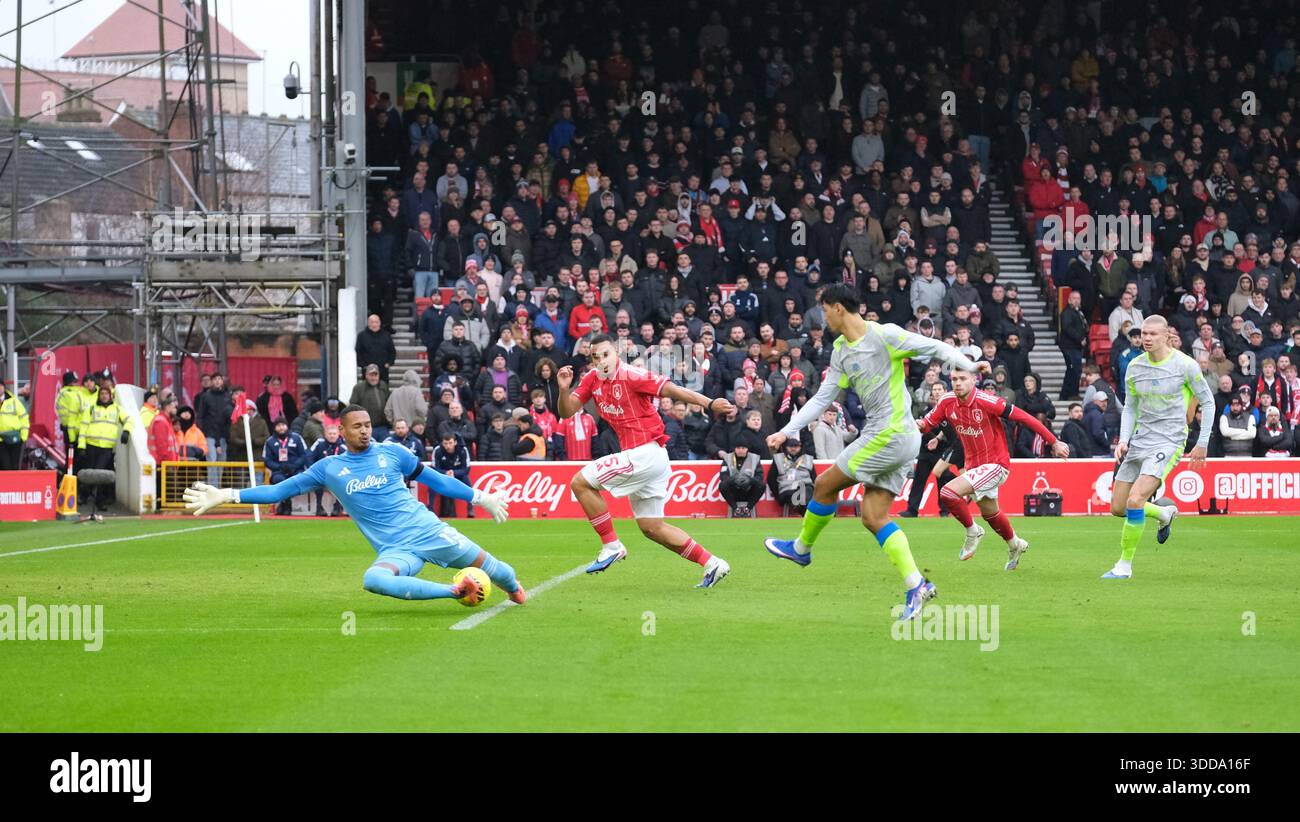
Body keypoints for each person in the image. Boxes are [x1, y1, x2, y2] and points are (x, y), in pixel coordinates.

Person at [763, 284, 990, 622]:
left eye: (825, 311)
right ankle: (917, 586)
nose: (823, 318)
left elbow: (934, 346)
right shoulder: (840, 349)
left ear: (838, 308)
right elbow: (823, 398)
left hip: (892, 433)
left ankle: (801, 550)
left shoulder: (886, 336)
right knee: (873, 516)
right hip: (891, 437)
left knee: (824, 485)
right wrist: (787, 429)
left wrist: (969, 365)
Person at [184, 404, 524, 606]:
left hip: (429, 531)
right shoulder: (328, 468)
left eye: (367, 425)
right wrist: (228, 495)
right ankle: (453, 590)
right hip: (395, 548)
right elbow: (278, 491)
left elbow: (436, 481)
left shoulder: (393, 453)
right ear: (341, 430)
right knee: (373, 580)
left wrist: (481, 497)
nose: (364, 431)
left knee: (504, 574)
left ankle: (516, 591)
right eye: (356, 426)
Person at [556, 334, 736, 588]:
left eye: (606, 354)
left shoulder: (632, 374)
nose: (602, 361)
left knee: (580, 482)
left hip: (645, 453)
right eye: (596, 357)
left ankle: (611, 545)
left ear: (617, 352)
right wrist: (564, 390)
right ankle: (713, 563)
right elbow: (567, 411)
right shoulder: (591, 379)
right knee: (652, 527)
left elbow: (672, 388)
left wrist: (708, 402)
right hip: (648, 458)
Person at [919, 368, 1070, 570]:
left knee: (947, 492)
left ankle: (973, 531)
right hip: (973, 465)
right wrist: (913, 424)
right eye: (954, 379)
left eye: (963, 378)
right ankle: (1015, 544)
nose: (957, 383)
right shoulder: (947, 401)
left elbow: (1024, 417)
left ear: (974, 380)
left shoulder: (987, 401)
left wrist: (1053, 442)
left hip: (996, 464)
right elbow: (926, 424)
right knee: (990, 513)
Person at [1104, 316, 1214, 580]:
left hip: (1170, 439)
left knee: (1135, 499)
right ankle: (1165, 513)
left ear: (1166, 336)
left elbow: (1208, 402)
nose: (1147, 338)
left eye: (1153, 333)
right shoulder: (1134, 366)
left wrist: (1202, 442)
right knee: (1118, 508)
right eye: (1144, 333)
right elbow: (1130, 406)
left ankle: (1124, 566)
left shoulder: (1185, 365)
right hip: (1141, 438)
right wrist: (1123, 439)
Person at [75, 383, 131, 513]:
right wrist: (81, 446)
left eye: (106, 394)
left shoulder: (117, 409)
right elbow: (83, 427)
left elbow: (129, 420)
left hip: (106, 448)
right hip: (91, 445)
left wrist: (126, 431)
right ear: (99, 395)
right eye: (102, 394)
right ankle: (84, 494)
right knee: (90, 472)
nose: (104, 396)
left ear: (111, 396)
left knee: (99, 473)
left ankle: (98, 501)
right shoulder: (91, 408)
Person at [263, 417, 310, 516]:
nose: (281, 428)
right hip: (279, 471)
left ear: (287, 426)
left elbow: (304, 455)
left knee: (298, 478)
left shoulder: (297, 438)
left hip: (296, 469)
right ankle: (287, 503)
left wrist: (294, 465)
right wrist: (279, 467)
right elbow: (267, 460)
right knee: (280, 480)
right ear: (275, 427)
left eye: (283, 425)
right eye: (278, 425)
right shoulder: (270, 441)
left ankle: (284, 505)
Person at [719, 437, 765, 517]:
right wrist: (733, 480)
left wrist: (750, 480)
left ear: (747, 449)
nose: (740, 450)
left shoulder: (755, 458)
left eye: (743, 448)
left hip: (748, 490)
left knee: (762, 485)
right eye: (738, 448)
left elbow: (759, 476)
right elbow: (723, 476)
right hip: (734, 490)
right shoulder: (727, 458)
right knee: (722, 485)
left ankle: (748, 509)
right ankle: (735, 509)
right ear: (735, 449)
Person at [769, 437, 817, 514]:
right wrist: (778, 496)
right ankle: (806, 511)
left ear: (800, 447)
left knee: (808, 490)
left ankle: (802, 508)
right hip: (788, 490)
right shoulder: (779, 458)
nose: (793, 448)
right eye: (791, 446)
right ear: (786, 447)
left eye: (796, 446)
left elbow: (814, 478)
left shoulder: (808, 458)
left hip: (806, 488)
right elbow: (771, 479)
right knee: (806, 494)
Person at [308, 424, 346, 516]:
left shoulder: (343, 447)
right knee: (317, 481)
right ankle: (319, 507)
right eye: (330, 433)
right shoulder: (319, 444)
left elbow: (347, 464)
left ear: (338, 434)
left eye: (334, 433)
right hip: (321, 474)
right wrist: (314, 470)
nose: (332, 435)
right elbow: (308, 457)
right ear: (325, 434)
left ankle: (337, 507)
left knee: (341, 482)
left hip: (337, 475)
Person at [431, 433, 472, 518]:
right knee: (432, 484)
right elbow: (434, 469)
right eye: (445, 443)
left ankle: (470, 509)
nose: (448, 446)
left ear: (455, 442)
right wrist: (445, 473)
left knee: (467, 482)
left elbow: (466, 469)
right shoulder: (437, 450)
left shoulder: (463, 450)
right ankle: (430, 509)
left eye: (450, 443)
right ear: (442, 443)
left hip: (458, 474)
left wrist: (454, 472)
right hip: (442, 475)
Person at [355, 314, 397, 383]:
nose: (374, 324)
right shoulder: (362, 336)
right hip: (367, 370)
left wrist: (389, 363)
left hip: (383, 370)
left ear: (380, 323)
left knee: (383, 391)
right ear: (368, 323)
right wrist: (363, 365)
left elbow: (392, 351)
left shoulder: (386, 335)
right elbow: (358, 351)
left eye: (376, 322)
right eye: (372, 322)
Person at [0, 380, 30, 470]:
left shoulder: (13, 401)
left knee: (15, 466)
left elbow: (24, 418)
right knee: (5, 466)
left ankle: (14, 484)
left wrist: (23, 437)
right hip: (1, 441)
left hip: (15, 439)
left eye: (0, 386)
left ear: (4, 387)